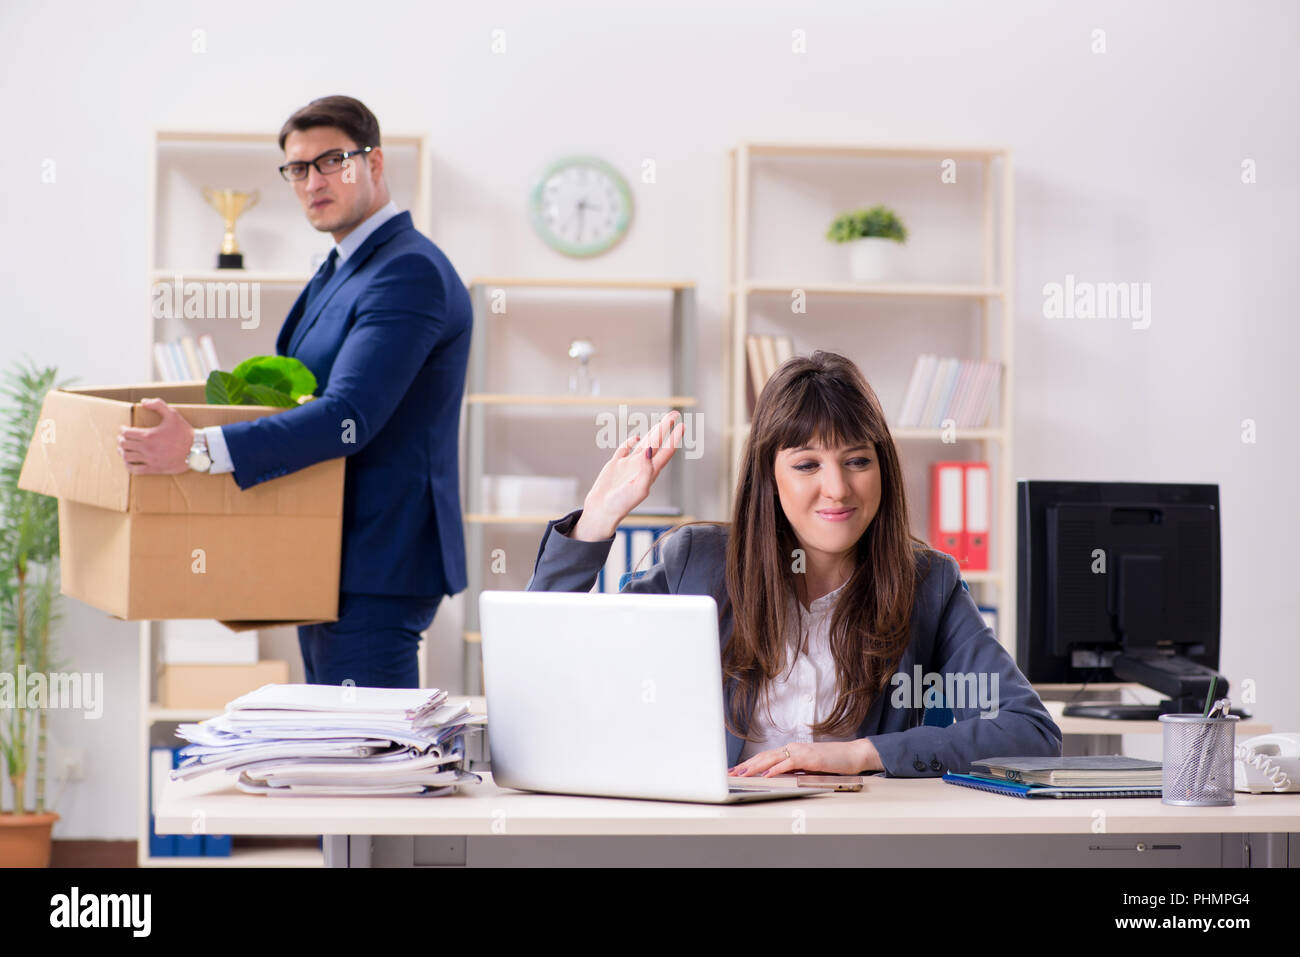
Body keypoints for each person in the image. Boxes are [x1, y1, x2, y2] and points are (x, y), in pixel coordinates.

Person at [525, 351, 1062, 777]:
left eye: (857, 460)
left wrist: (861, 754)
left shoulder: (928, 582)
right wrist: (594, 522)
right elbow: (549, 667)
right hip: (714, 839)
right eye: (807, 464)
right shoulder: (697, 563)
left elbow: (1029, 731)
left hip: (855, 840)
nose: (838, 488)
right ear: (770, 476)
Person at [117, 95, 471, 689]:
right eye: (298, 169)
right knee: (334, 759)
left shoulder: (406, 271)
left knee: (361, 768)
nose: (313, 181)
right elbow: (297, 395)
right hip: (325, 551)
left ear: (375, 163)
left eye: (332, 161)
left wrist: (198, 448)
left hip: (376, 561)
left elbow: (347, 417)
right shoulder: (341, 268)